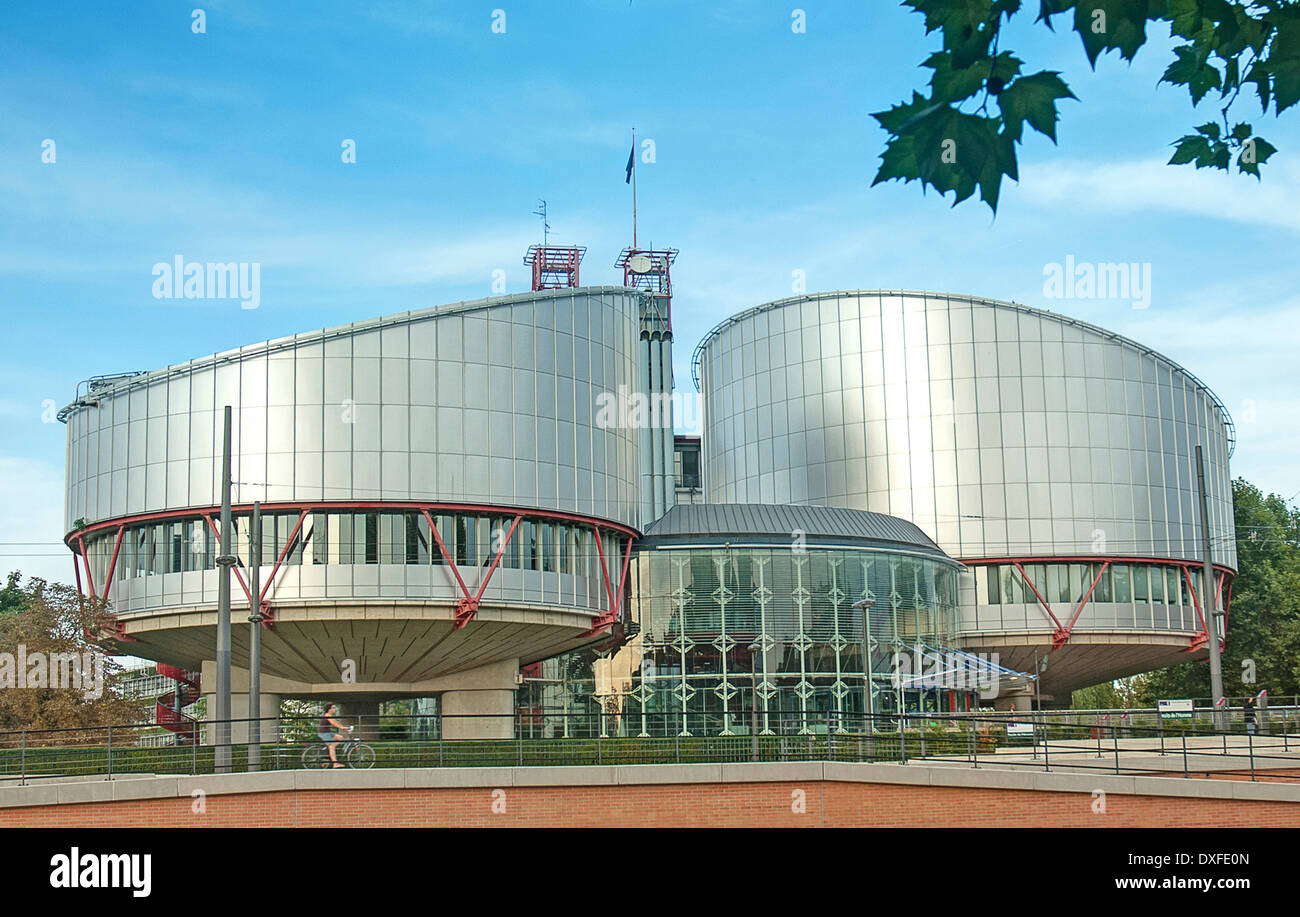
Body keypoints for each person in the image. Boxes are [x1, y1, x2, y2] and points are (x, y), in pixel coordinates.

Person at [318, 703, 349, 768]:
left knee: (340, 738)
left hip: (328, 732)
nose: (335, 709)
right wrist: (342, 728)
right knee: (332, 746)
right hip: (324, 733)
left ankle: (329, 751)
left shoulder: (329, 715)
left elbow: (336, 722)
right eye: (333, 708)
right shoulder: (327, 715)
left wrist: (343, 727)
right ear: (329, 709)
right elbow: (333, 723)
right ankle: (335, 763)